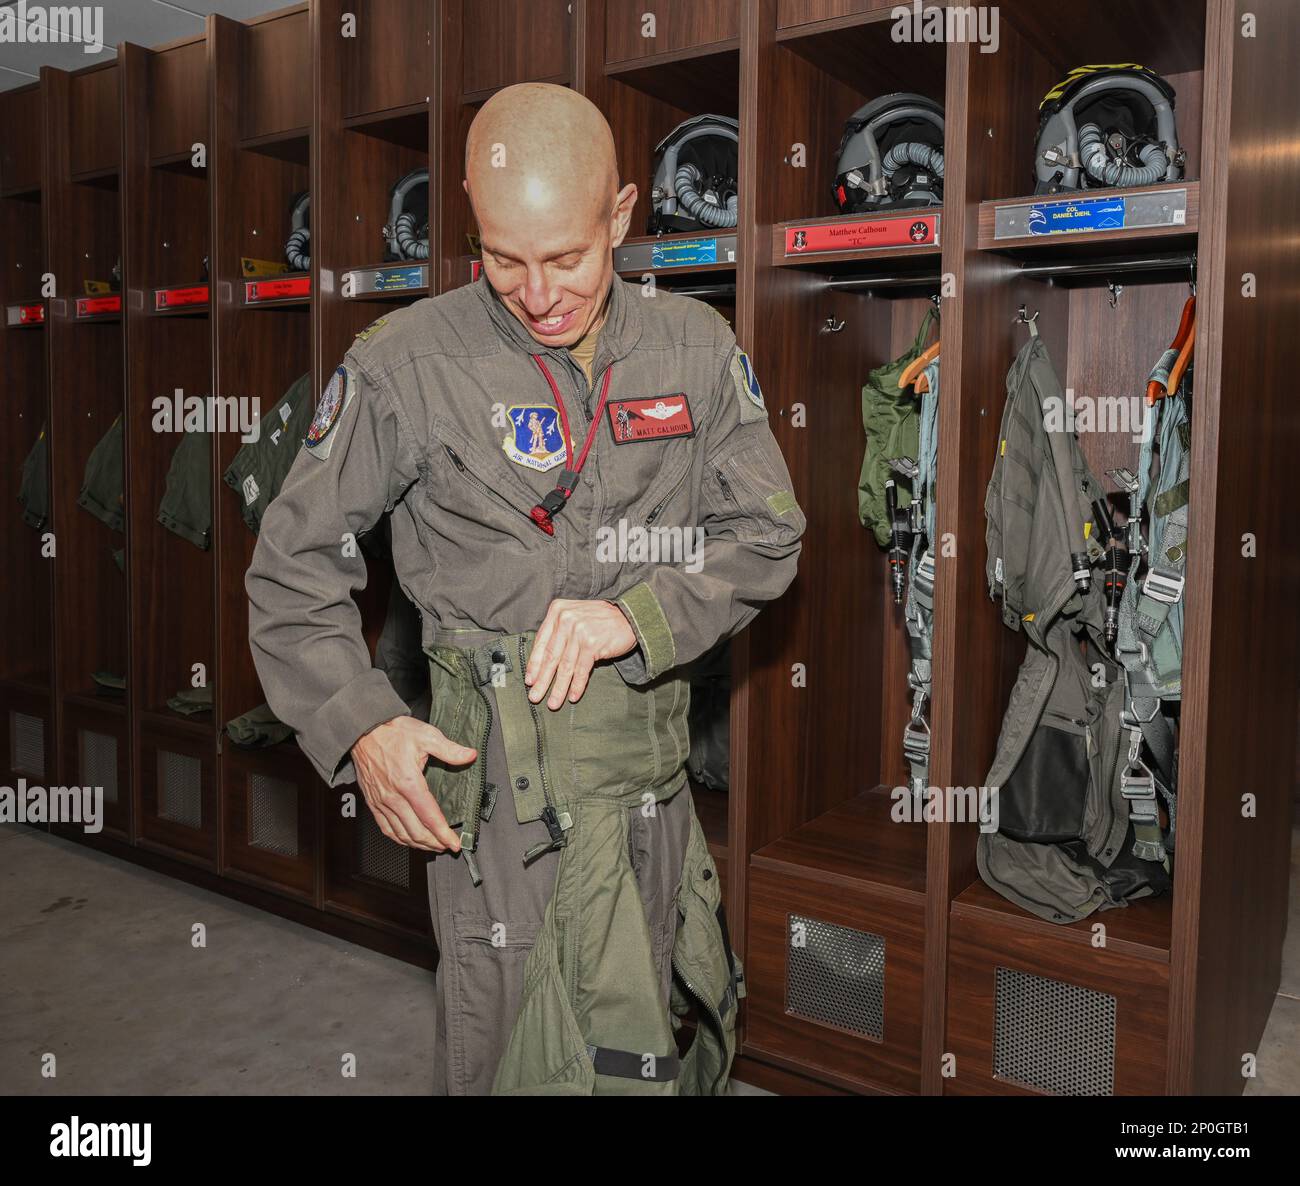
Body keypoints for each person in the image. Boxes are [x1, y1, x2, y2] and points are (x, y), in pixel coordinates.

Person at [246, 82, 804, 1095]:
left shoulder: (696, 348)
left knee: (655, 1040)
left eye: (568, 258)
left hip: (651, 784)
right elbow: (293, 565)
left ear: (622, 215)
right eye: (504, 259)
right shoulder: (404, 365)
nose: (538, 292)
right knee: (522, 1059)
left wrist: (636, 617)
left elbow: (766, 534)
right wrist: (363, 724)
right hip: (500, 803)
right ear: (468, 214)